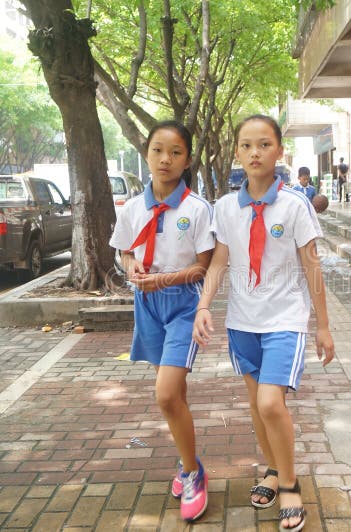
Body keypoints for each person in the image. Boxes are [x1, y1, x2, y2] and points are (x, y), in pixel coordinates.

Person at [192, 114, 335, 532]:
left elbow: (312, 266)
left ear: (279, 151)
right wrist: (204, 306)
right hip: (242, 322)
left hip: (285, 320)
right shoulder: (224, 208)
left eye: (264, 144)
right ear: (237, 151)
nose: (255, 152)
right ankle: (272, 470)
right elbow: (220, 261)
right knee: (257, 404)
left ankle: (289, 484)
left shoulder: (294, 205)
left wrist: (322, 326)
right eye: (247, 145)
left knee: (272, 403)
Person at [109, 120, 214, 523]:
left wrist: (163, 279)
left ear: (187, 159)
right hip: (146, 306)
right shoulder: (133, 207)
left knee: (166, 394)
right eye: (157, 150)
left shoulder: (197, 209)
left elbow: (203, 268)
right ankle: (186, 461)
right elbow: (124, 252)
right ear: (146, 153)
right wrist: (132, 262)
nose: (165, 159)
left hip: (182, 304)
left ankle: (193, 473)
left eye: (174, 152)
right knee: (174, 396)